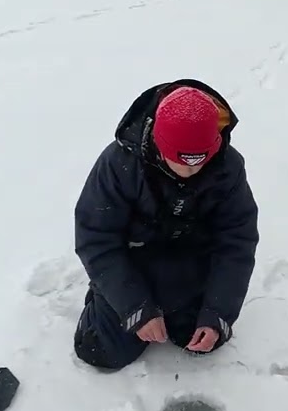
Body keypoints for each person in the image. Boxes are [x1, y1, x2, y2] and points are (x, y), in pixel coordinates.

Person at [72, 79, 259, 371]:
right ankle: (103, 299)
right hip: (133, 262)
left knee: (203, 338)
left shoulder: (228, 168)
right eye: (180, 162)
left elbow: (237, 243)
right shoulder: (120, 163)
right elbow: (96, 238)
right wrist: (135, 307)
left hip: (190, 264)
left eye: (199, 163)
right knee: (101, 350)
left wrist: (218, 312)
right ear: (159, 144)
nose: (189, 172)